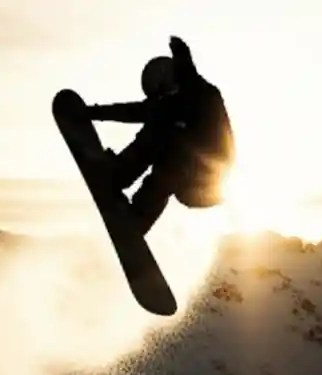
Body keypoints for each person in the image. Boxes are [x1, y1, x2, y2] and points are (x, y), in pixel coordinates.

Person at [84, 36, 234, 236]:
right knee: (165, 152)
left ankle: (123, 180)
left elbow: (188, 82)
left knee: (161, 138)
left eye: (159, 94)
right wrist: (94, 113)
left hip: (208, 180)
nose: (159, 99)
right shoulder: (179, 102)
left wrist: (182, 56)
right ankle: (136, 209)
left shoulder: (196, 93)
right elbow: (134, 111)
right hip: (202, 186)